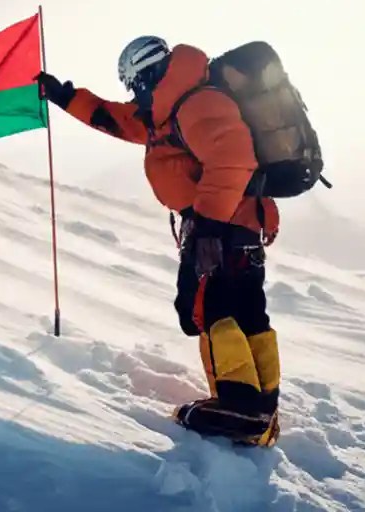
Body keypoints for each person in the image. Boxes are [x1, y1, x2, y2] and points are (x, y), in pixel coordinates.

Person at [36, 36, 281, 446]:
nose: (134, 94)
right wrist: (66, 98)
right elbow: (117, 119)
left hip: (220, 226)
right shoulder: (168, 112)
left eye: (134, 84)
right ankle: (262, 410)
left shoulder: (197, 103)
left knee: (213, 308)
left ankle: (240, 406)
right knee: (246, 311)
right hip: (232, 225)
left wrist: (207, 227)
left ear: (144, 73)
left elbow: (234, 157)